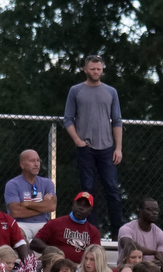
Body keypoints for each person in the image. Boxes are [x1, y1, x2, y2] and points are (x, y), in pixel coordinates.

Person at [63, 54, 123, 236]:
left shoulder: (111, 92)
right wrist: (78, 141)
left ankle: (118, 233)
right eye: (92, 69)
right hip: (85, 148)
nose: (96, 72)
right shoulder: (76, 90)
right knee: (88, 190)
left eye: (99, 69)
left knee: (112, 189)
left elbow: (117, 120)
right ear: (85, 69)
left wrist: (118, 147)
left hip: (106, 148)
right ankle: (91, 231)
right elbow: (68, 119)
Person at [33, 192, 102, 263]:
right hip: (56, 266)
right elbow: (34, 243)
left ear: (90, 211)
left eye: (85, 206)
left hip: (80, 270)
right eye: (79, 204)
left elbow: (97, 256)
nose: (81, 208)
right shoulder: (55, 223)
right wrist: (51, 251)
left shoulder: (94, 232)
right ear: (73, 204)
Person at [5, 150, 58, 239]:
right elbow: (16, 212)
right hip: (21, 224)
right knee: (18, 235)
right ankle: (26, 253)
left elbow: (52, 206)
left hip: (43, 223)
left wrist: (28, 204)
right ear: (22, 165)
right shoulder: (13, 184)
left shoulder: (47, 183)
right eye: (32, 161)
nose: (36, 164)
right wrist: (42, 205)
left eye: (38, 160)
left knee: (53, 236)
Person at [117, 198, 163, 270]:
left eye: (157, 210)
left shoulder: (161, 235)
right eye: (150, 209)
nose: (154, 212)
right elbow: (130, 247)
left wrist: (161, 262)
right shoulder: (126, 229)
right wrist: (154, 252)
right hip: (128, 271)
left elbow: (162, 259)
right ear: (140, 210)